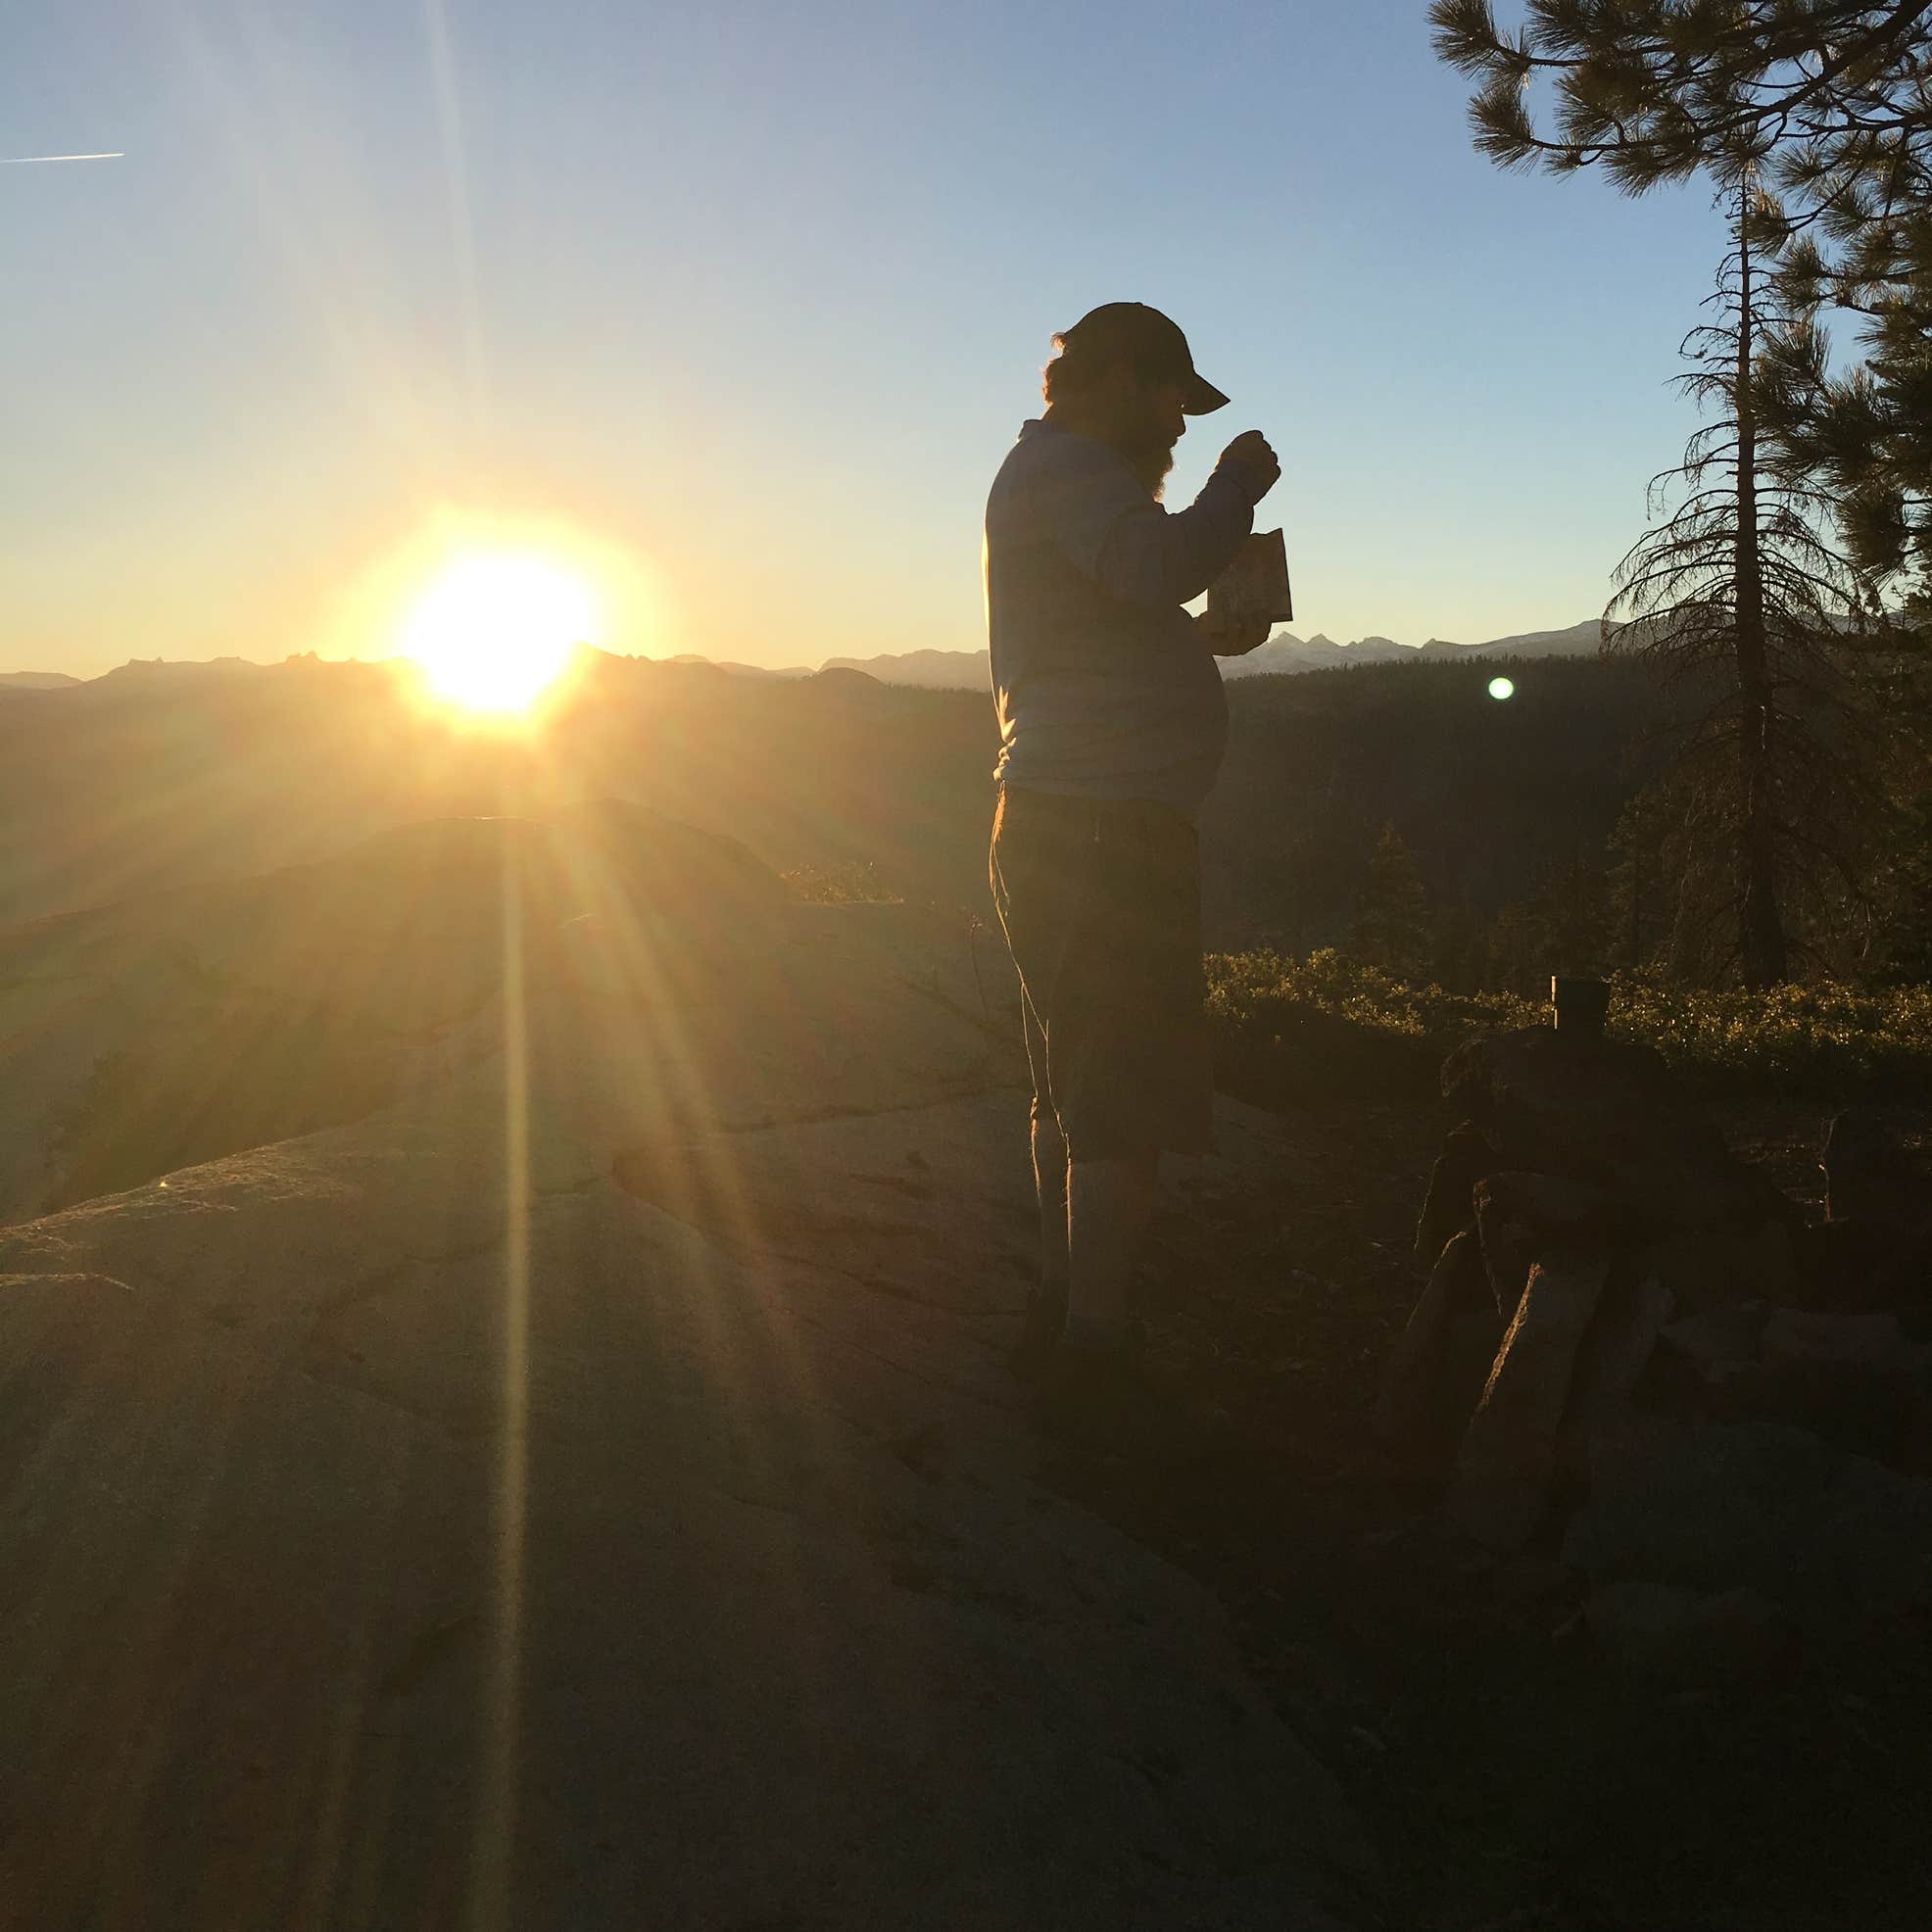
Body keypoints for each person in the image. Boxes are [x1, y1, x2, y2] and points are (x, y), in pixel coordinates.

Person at [984, 301, 1280, 1392]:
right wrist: (1236, 492)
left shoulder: (1061, 480)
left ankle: (1067, 1307)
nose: (1182, 429)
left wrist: (1201, 638)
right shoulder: (1068, 469)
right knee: (1121, 1095)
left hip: (1070, 815)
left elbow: (1115, 606)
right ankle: (1093, 1349)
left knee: (1073, 1080)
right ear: (1121, 382)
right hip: (1101, 827)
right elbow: (1152, 566)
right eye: (1174, 403)